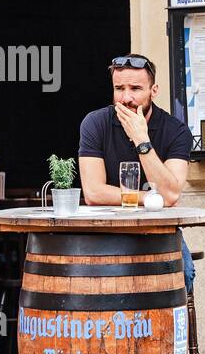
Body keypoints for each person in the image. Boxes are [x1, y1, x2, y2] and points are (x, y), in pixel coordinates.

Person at [78, 54, 197, 291]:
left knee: (183, 272)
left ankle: (174, 328)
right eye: (119, 88)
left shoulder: (176, 131)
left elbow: (171, 194)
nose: (126, 98)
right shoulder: (95, 123)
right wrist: (150, 199)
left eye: (135, 88)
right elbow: (93, 192)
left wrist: (142, 140)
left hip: (158, 232)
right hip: (106, 230)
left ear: (154, 90)